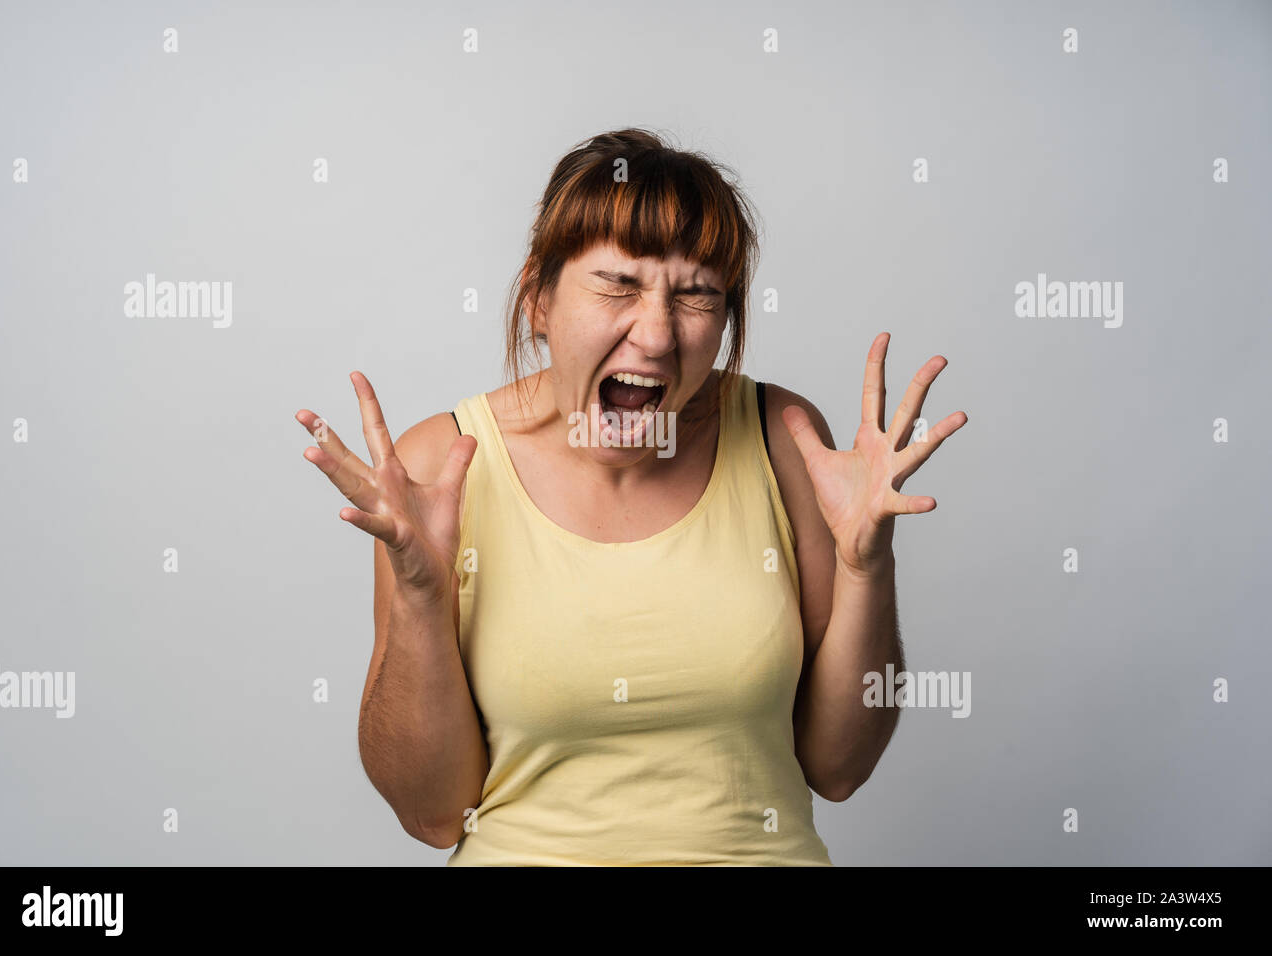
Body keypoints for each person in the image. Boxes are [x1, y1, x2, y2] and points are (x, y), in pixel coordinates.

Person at [294, 128, 967, 865]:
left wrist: (867, 569)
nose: (655, 335)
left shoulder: (783, 439)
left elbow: (839, 768)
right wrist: (421, 596)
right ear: (538, 301)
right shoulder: (438, 465)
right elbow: (432, 816)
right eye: (619, 284)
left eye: (696, 293)